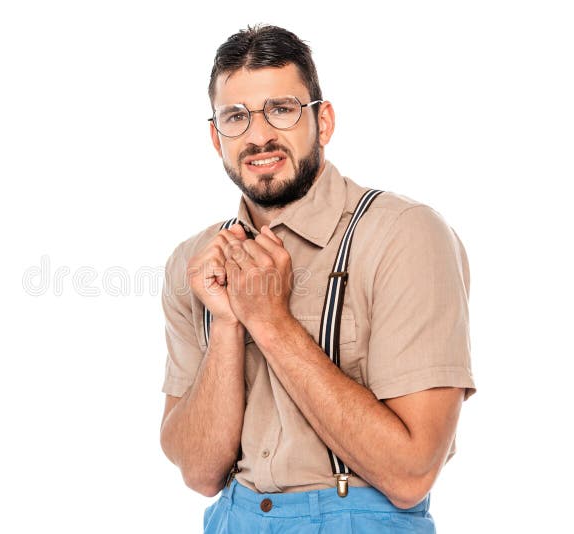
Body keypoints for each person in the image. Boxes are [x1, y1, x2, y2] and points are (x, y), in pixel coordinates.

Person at [158, 24, 476, 533]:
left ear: (322, 121)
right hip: (233, 518)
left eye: (281, 110)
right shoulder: (193, 263)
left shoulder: (404, 236)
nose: (259, 135)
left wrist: (270, 321)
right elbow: (199, 473)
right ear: (216, 137)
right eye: (236, 117)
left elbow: (412, 472)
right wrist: (225, 325)